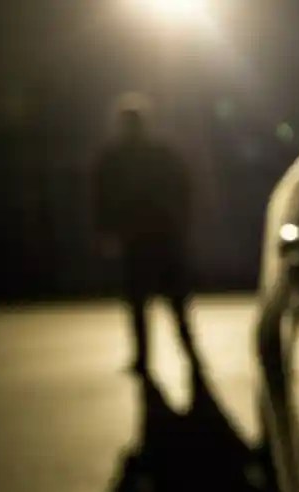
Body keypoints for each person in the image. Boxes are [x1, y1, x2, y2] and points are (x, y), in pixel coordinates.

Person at [94, 93, 198, 374]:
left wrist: (106, 231)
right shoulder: (159, 155)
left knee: (144, 304)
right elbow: (183, 189)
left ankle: (148, 358)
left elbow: (102, 198)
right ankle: (189, 357)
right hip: (158, 237)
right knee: (172, 303)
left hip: (141, 238)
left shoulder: (115, 158)